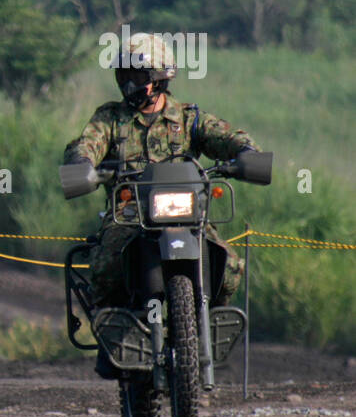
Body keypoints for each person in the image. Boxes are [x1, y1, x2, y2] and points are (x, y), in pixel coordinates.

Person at [63, 32, 262, 375]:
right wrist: (83, 164)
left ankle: (207, 326)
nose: (128, 84)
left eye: (136, 77)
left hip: (186, 215)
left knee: (229, 265)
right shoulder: (111, 118)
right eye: (123, 76)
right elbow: (87, 142)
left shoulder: (188, 118)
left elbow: (225, 136)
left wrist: (244, 154)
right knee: (105, 265)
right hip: (129, 215)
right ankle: (113, 337)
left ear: (160, 78)